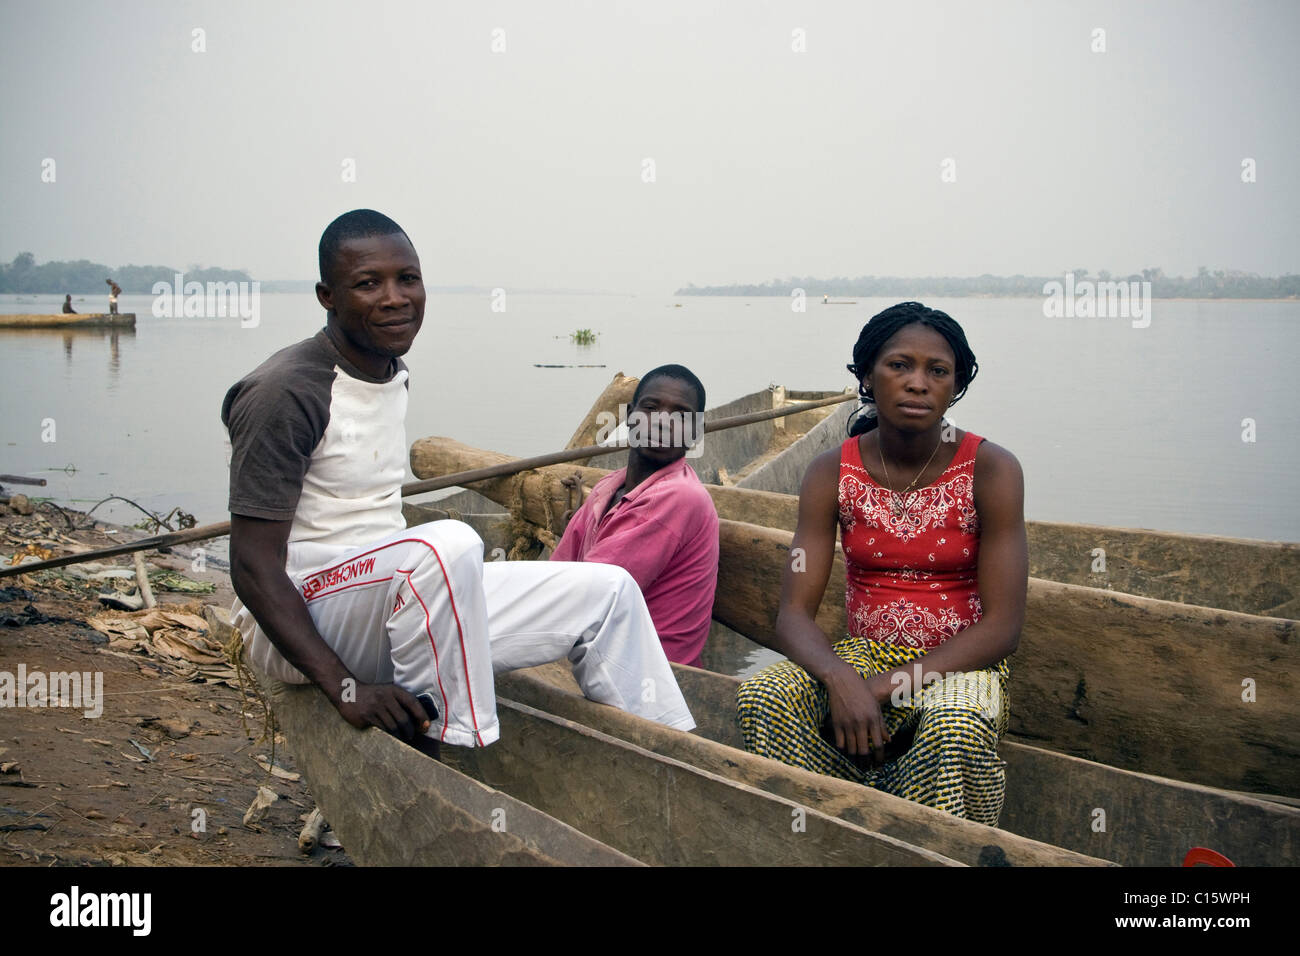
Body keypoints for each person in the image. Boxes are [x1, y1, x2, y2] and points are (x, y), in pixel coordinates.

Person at [223, 209, 693, 758]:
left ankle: (674, 756)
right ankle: (455, 748)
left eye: (408, 279)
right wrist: (346, 688)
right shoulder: (286, 391)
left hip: (391, 603)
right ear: (327, 296)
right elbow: (252, 566)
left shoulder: (387, 366)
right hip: (303, 614)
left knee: (606, 590)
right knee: (449, 544)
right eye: (368, 284)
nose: (396, 298)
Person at [736, 301, 1027, 825]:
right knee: (763, 695)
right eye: (899, 365)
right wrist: (841, 678)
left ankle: (933, 846)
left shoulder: (992, 468)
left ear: (955, 386)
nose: (918, 383)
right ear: (868, 376)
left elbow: (1003, 627)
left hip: (959, 663)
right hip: (861, 653)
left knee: (953, 726)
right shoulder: (831, 472)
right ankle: (828, 833)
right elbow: (794, 614)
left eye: (937, 371)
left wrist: (883, 688)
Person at [550, 365, 720, 667]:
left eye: (680, 416)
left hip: (643, 674)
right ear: (630, 416)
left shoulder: (679, 497)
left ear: (695, 431)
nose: (662, 423)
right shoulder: (609, 486)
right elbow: (556, 575)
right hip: (596, 652)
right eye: (651, 408)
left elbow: (589, 597)